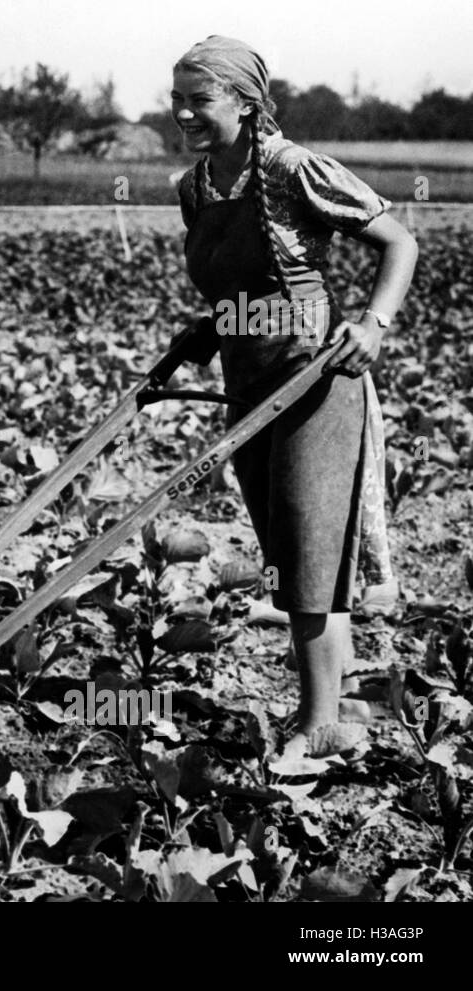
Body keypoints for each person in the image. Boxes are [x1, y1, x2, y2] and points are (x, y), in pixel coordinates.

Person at [170, 36, 418, 759]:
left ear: (247, 104)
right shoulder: (196, 187)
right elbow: (232, 288)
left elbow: (398, 241)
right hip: (247, 381)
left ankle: (316, 725)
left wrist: (372, 322)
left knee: (310, 550)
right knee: (289, 549)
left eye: (200, 99)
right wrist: (207, 333)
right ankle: (331, 712)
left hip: (317, 378)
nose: (183, 112)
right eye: (176, 97)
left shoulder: (291, 169)